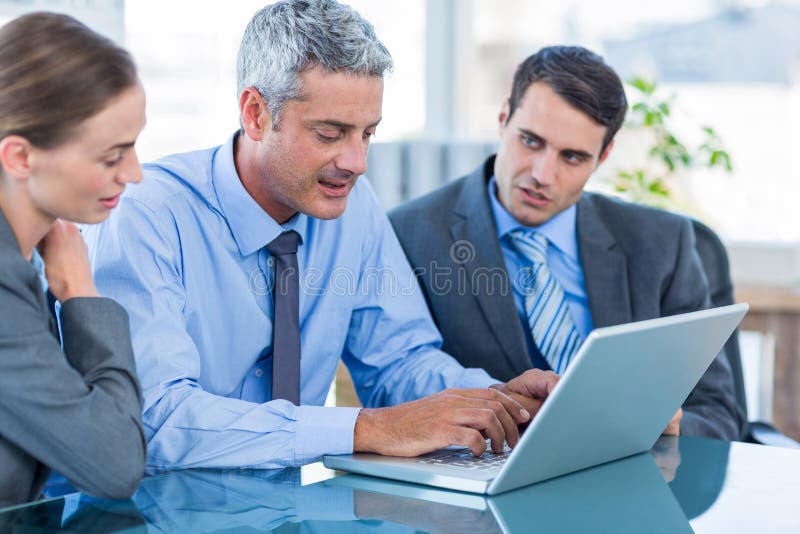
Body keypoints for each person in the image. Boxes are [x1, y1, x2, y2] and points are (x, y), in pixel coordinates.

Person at [86, 0, 558, 471]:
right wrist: (367, 429)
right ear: (255, 114)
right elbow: (156, 419)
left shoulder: (353, 207)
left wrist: (492, 403)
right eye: (330, 133)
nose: (357, 162)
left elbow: (398, 361)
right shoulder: (146, 217)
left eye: (367, 134)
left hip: (288, 507)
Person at [389, 46, 745, 440]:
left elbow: (719, 415)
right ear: (504, 118)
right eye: (530, 141)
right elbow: (397, 383)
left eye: (572, 157)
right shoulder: (410, 234)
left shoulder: (662, 243)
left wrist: (671, 425)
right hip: (485, 475)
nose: (542, 174)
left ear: (603, 156)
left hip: (629, 478)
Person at [0, 12, 147, 507]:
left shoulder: (22, 261)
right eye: (112, 157)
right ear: (20, 157)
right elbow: (115, 462)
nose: (135, 173)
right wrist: (82, 295)